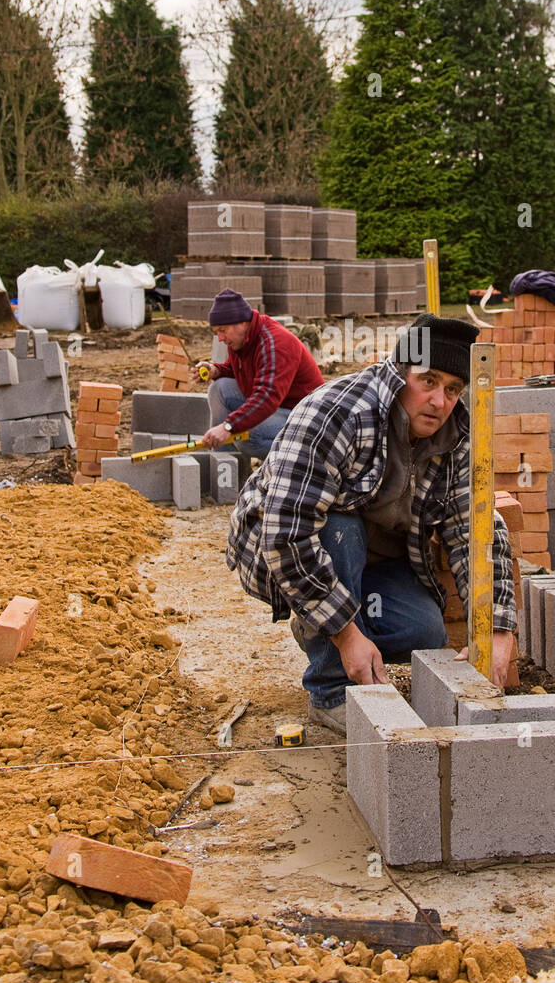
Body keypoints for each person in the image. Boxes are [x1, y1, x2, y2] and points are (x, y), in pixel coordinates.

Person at [225, 314, 518, 735]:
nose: (440, 401)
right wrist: (345, 636)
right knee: (343, 527)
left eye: (453, 389)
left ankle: (320, 620)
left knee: (423, 630)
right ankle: (331, 689)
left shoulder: (456, 434)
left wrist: (498, 628)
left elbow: (475, 530)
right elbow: (286, 533)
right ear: (399, 373)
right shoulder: (336, 412)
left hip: (375, 562)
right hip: (291, 547)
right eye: (429, 381)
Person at [195, 289, 324, 459]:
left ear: (241, 323)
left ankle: (306, 459)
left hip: (306, 417)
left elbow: (267, 397)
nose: (220, 337)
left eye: (222, 330)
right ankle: (224, 466)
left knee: (245, 435)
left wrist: (228, 426)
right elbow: (235, 370)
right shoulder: (242, 341)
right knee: (219, 388)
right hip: (278, 408)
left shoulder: (275, 344)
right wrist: (216, 370)